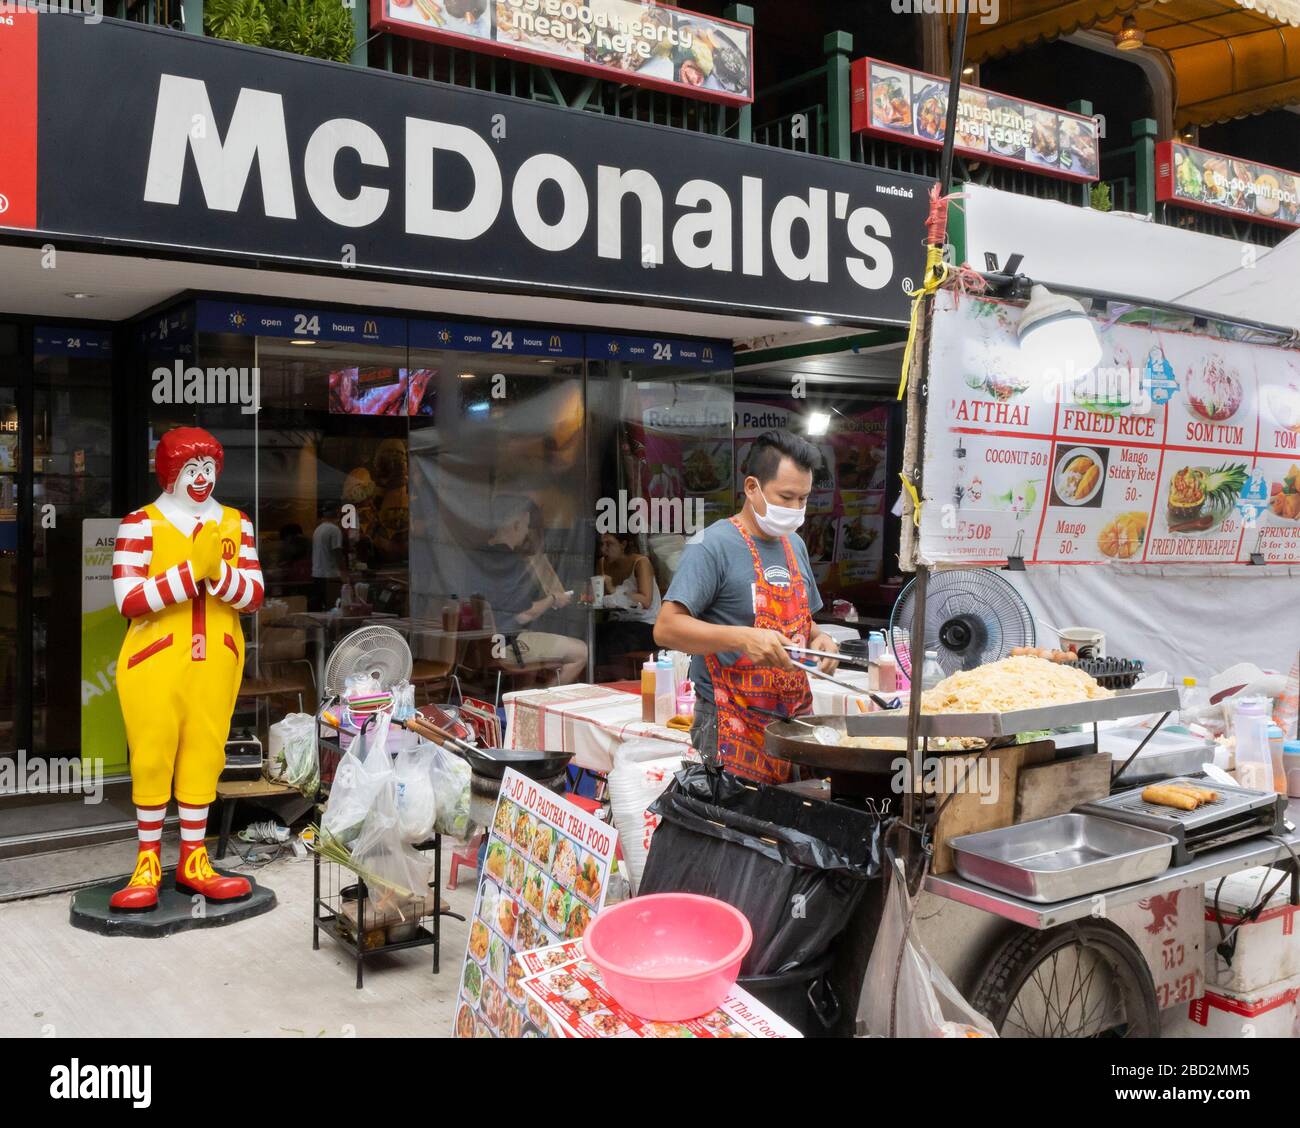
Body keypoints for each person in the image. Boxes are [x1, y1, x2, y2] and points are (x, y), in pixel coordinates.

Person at [654, 430, 839, 785]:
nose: (795, 509)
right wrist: (742, 639)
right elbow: (666, 627)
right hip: (728, 723)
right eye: (785, 497)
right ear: (752, 488)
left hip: (793, 722)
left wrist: (821, 638)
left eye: (803, 499)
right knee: (738, 833)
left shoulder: (795, 545)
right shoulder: (711, 545)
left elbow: (805, 622)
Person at [470, 495, 587, 685]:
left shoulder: (480, 555)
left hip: (485, 645)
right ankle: (539, 704)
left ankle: (526, 694)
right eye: (526, 526)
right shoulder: (510, 561)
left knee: (541, 644)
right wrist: (553, 599)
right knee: (581, 651)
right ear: (517, 523)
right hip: (506, 646)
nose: (526, 533)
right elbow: (524, 615)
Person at [595, 532, 661, 662]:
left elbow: (646, 600)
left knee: (610, 639)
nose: (604, 549)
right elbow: (602, 599)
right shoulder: (602, 563)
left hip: (646, 624)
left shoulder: (640, 563)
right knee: (592, 635)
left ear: (623, 544)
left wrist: (613, 590)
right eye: (602, 544)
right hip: (617, 621)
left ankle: (616, 678)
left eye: (609, 544)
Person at [310, 501, 348, 611]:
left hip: (317, 574)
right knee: (332, 607)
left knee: (319, 608)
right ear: (337, 512)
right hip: (330, 576)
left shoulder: (318, 529)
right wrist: (344, 574)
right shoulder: (334, 530)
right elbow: (337, 553)